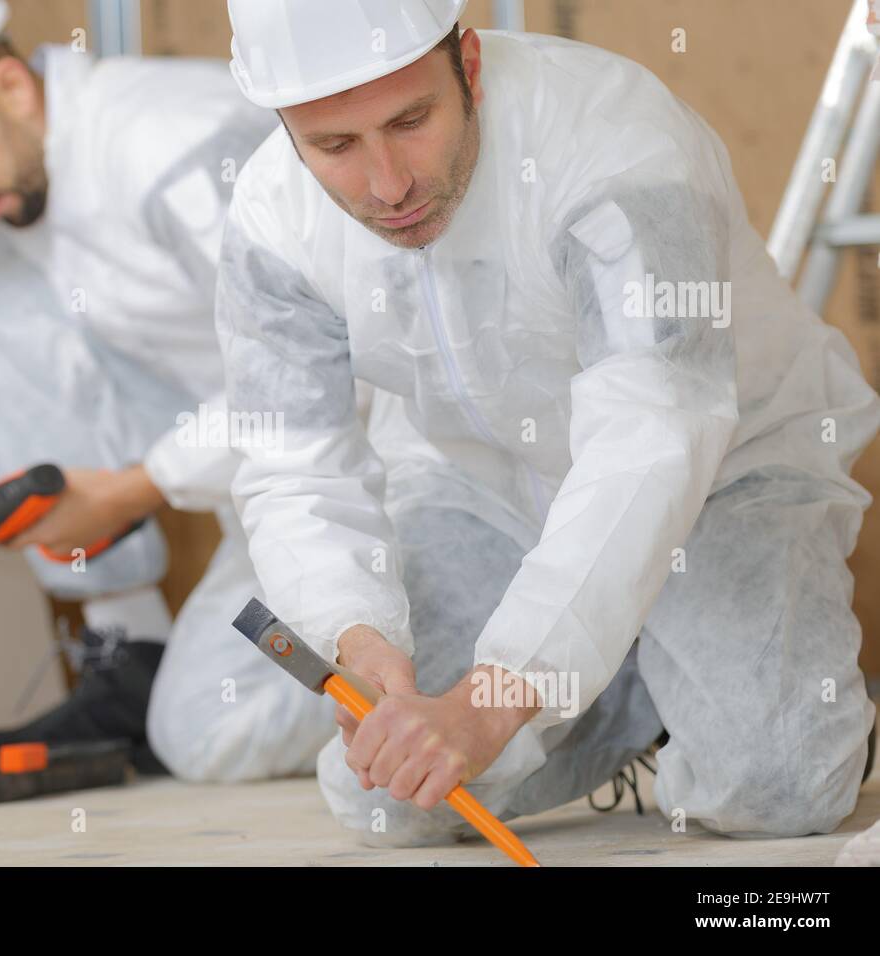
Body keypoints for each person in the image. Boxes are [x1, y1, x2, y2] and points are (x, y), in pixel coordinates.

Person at [216, 0, 879, 843]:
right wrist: (357, 637)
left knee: (778, 785)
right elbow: (292, 461)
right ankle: (644, 678)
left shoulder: (615, 148)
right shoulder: (271, 220)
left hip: (720, 474)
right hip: (477, 487)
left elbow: (652, 438)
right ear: (284, 126)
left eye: (411, 120)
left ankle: (671, 666)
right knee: (393, 797)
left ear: (470, 64)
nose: (387, 186)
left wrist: (494, 701)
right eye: (335, 146)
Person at [0, 0, 333, 779]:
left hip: (363, 471)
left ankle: (455, 642)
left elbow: (324, 368)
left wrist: (137, 487)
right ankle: (132, 650)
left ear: (13, 88)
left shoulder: (172, 148)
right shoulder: (24, 208)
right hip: (262, 489)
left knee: (214, 732)